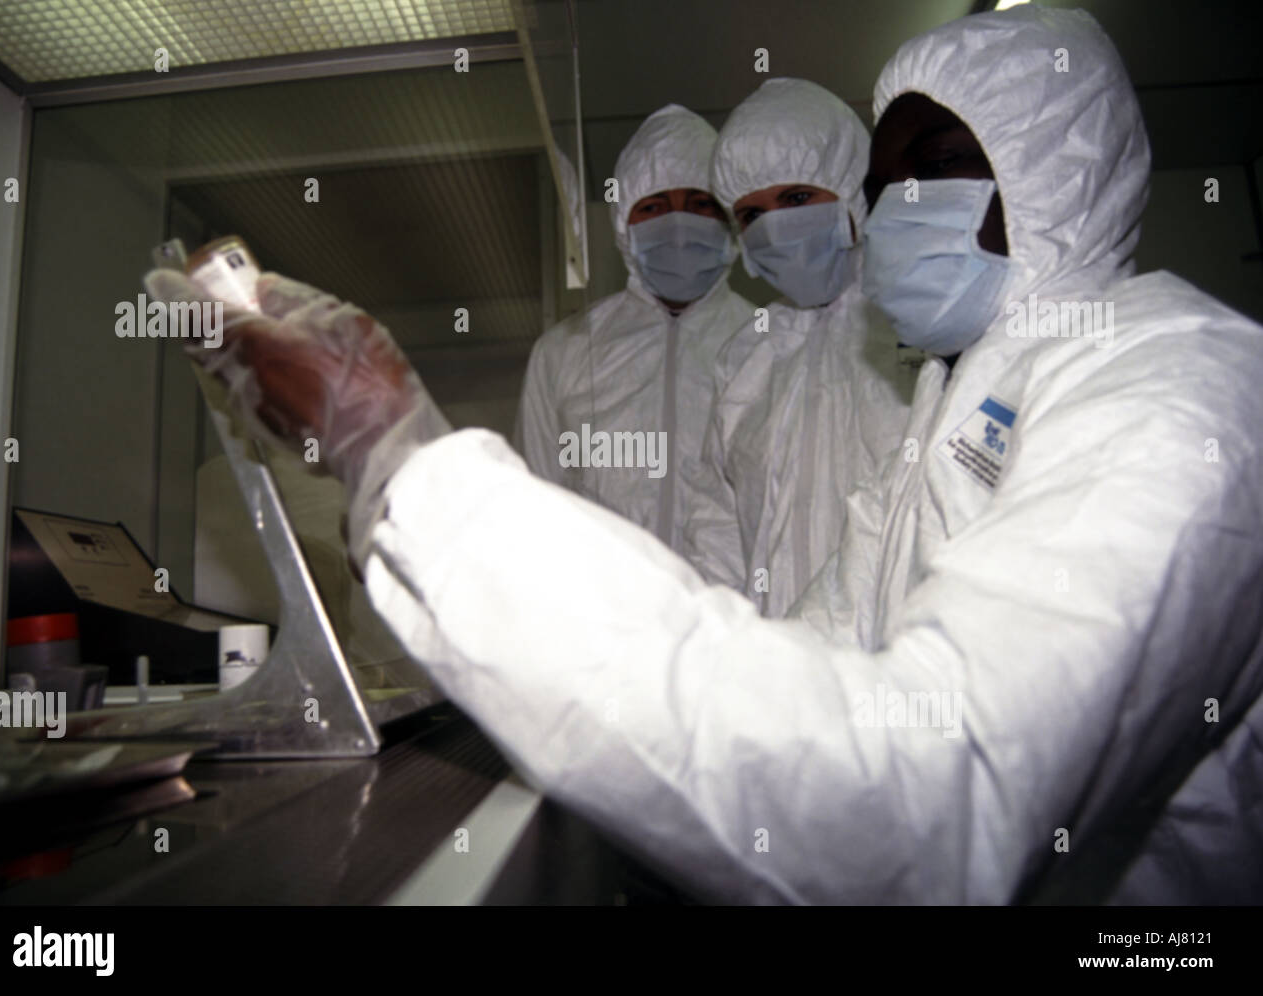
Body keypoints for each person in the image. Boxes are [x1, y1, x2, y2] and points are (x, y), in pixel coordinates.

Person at [146, 5, 1263, 903]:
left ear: (1053, 171)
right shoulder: (950, 400)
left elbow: (933, 810)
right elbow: (810, 664)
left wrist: (392, 449)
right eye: (879, 185)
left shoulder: (1175, 386)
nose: (886, 213)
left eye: (930, 167)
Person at [685, 78, 915, 617]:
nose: (777, 228)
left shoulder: (920, 324)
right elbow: (717, 528)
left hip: (907, 661)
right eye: (753, 215)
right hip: (785, 671)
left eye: (796, 198)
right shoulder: (747, 357)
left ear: (852, 188)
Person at [513, 104, 755, 551]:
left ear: (731, 223)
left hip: (730, 617)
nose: (679, 226)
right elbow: (536, 505)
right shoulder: (565, 352)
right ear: (624, 225)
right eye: (654, 206)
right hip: (601, 615)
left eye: (701, 203)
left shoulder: (766, 345)